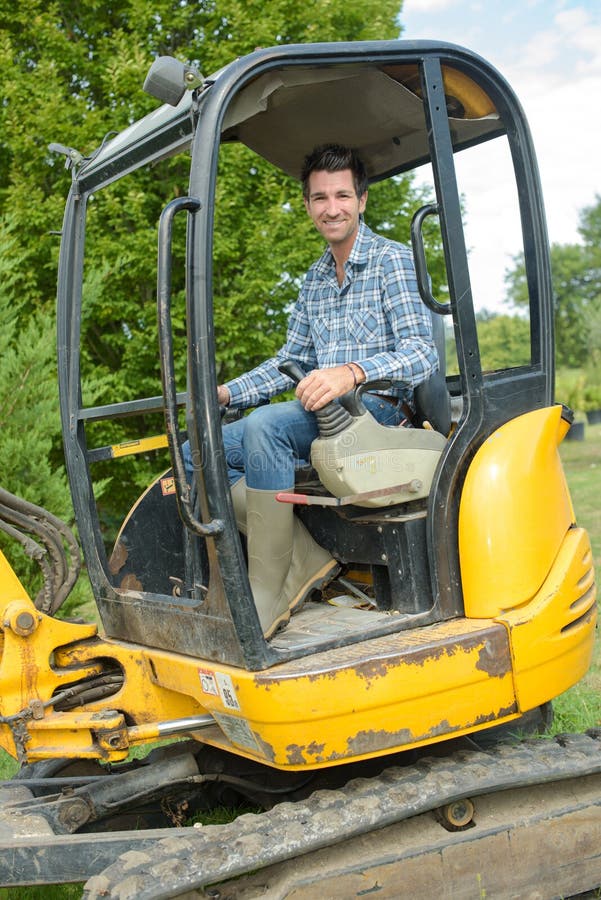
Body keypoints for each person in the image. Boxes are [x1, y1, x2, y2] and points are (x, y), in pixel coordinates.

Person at [186, 144, 438, 639]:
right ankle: (301, 559)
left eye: (342, 195)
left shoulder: (392, 261)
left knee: (266, 428)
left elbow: (421, 351)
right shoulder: (314, 280)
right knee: (200, 450)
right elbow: (289, 364)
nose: (332, 207)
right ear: (308, 206)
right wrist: (225, 393)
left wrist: (352, 372)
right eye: (320, 197)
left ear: (362, 200)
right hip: (325, 417)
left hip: (381, 414)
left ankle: (269, 588)